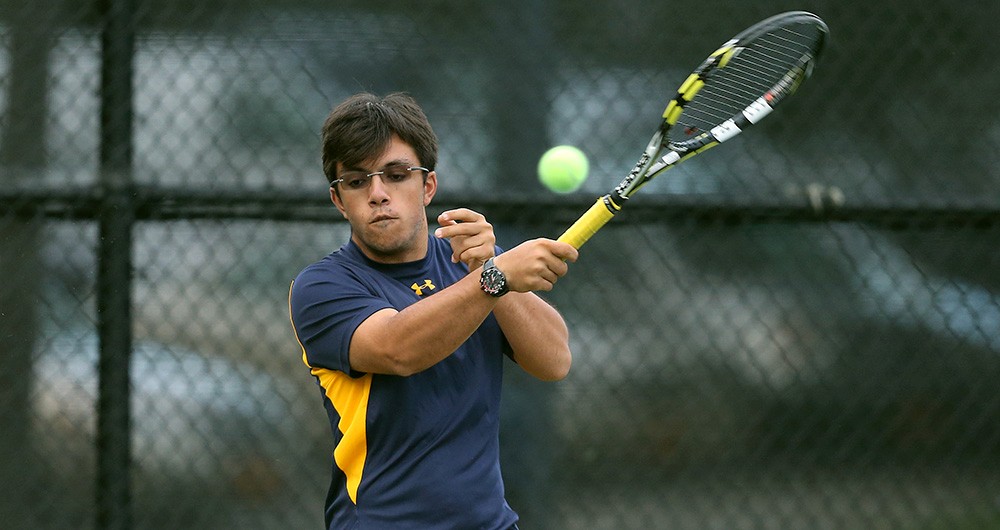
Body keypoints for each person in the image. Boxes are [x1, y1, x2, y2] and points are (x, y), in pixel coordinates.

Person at [288, 92, 579, 529]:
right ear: (338, 200)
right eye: (356, 181)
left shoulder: (475, 266)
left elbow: (554, 360)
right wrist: (493, 278)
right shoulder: (321, 287)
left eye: (396, 174)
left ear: (427, 187)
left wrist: (486, 267)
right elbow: (397, 349)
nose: (378, 194)